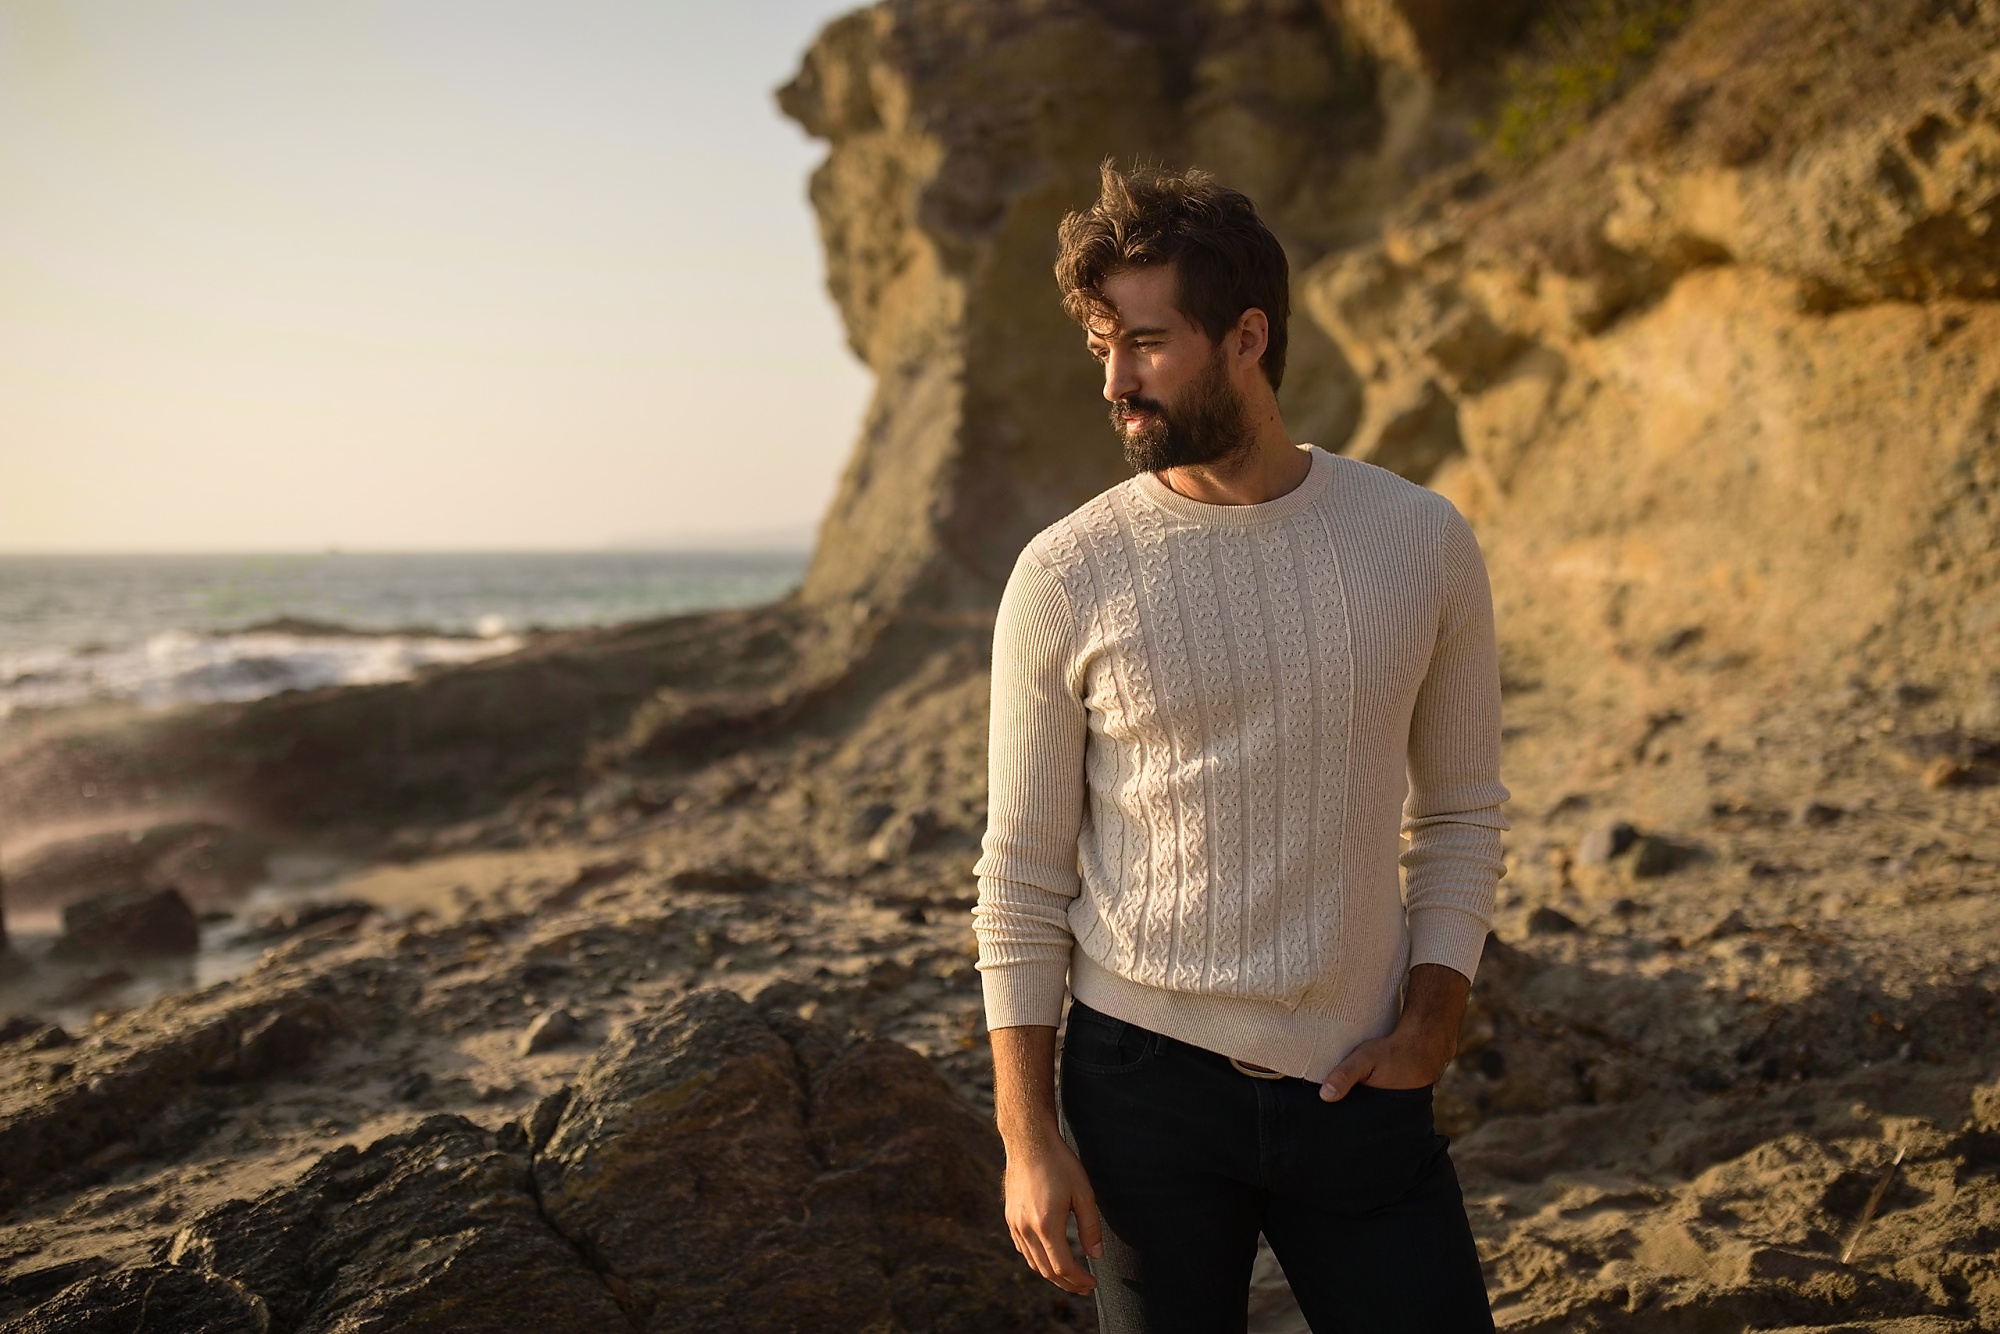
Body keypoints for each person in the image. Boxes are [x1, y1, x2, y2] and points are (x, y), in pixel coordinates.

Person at [971, 161, 1508, 1333]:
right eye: (1101, 345)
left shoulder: (1415, 540)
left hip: (1358, 1077)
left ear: (1245, 336)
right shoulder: (1064, 572)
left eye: (1147, 343)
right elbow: (1018, 871)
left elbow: (1460, 809)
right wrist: (1026, 1134)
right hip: (1139, 1090)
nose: (1115, 381)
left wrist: (1432, 1019)